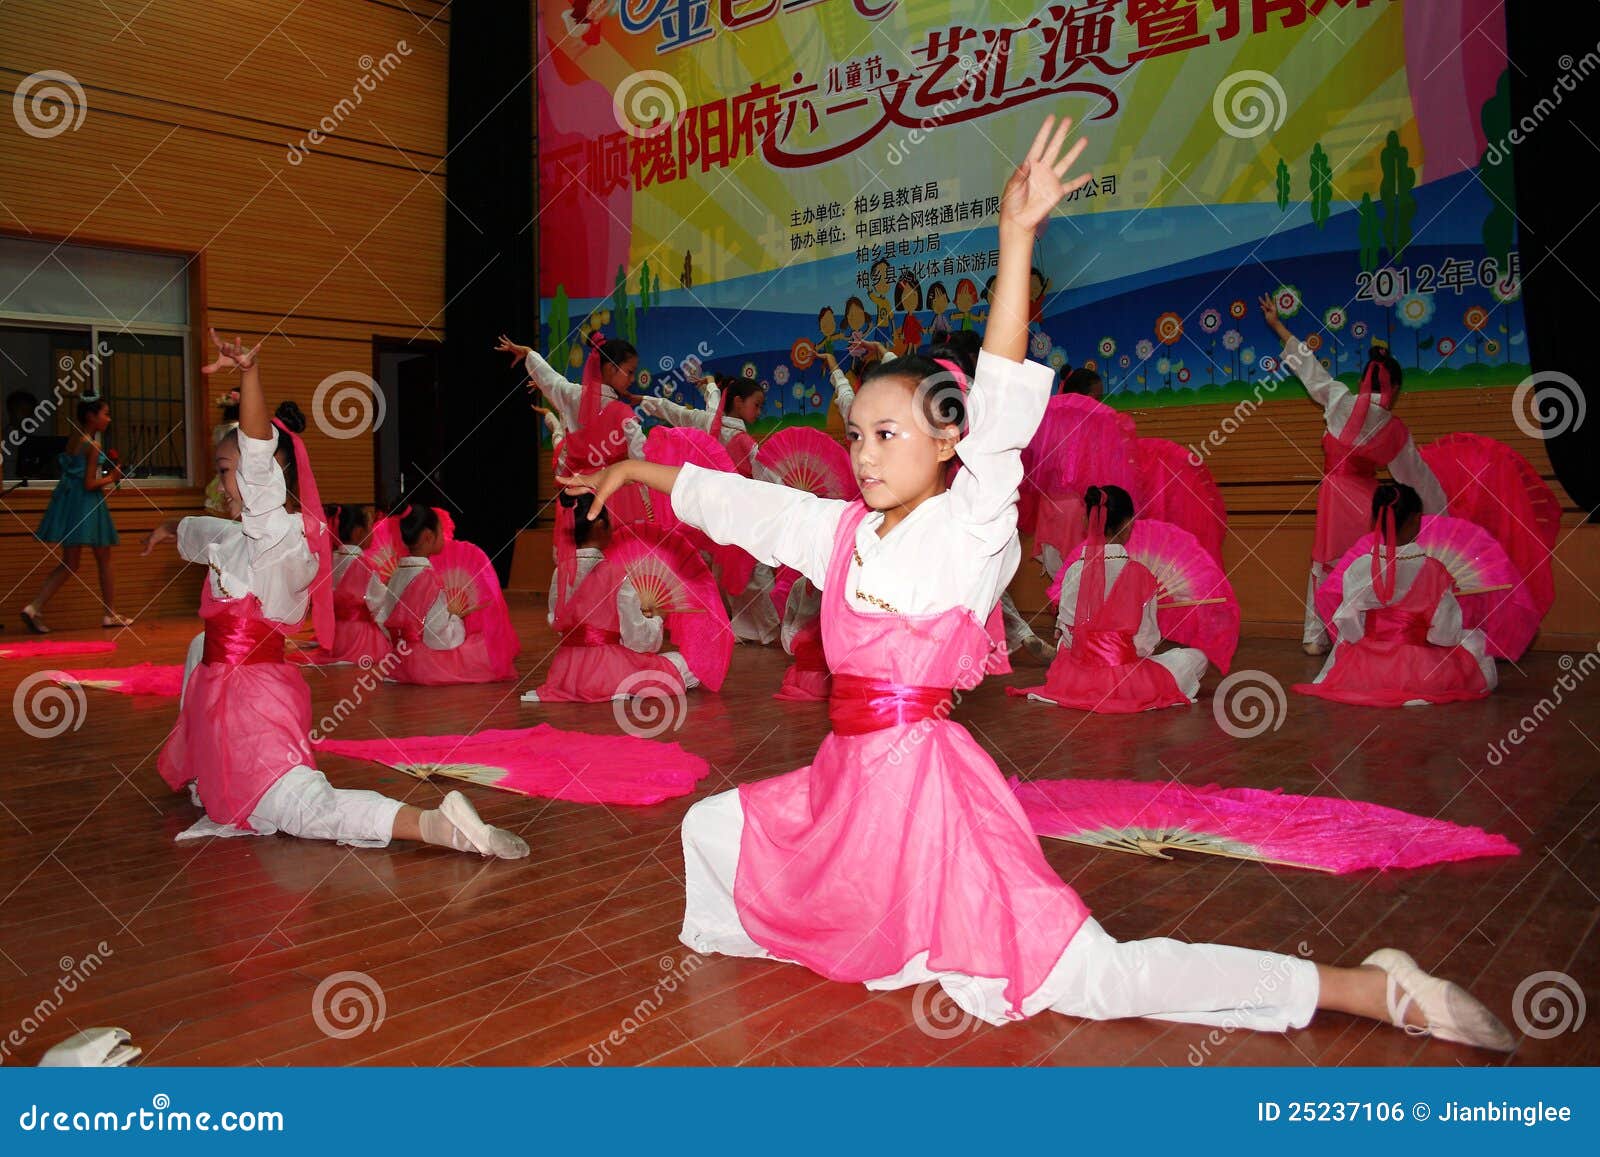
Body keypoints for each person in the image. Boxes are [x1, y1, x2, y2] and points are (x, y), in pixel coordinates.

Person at [555, 117, 1513, 1049]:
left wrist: (1014, 238)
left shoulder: (971, 526)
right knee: (715, 828)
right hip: (846, 790)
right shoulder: (838, 530)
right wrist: (631, 474)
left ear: (947, 439)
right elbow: (735, 502)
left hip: (930, 798)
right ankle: (857, 920)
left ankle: (1366, 985)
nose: (866, 452)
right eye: (858, 434)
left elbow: (1003, 386)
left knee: (1092, 978)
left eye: (889, 434)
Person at [148, 331, 526, 858]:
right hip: (223, 700)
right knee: (244, 777)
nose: (223, 483)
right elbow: (204, 531)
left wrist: (250, 377)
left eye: (226, 472)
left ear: (271, 477)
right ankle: (214, 779)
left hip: (254, 705)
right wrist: (169, 526)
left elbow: (256, 466)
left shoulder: (278, 541)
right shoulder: (235, 535)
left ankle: (435, 824)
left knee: (300, 808)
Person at [1260, 297, 1446, 657]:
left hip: (1334, 495)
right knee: (1368, 564)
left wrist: (1278, 326)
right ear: (1396, 389)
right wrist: (1443, 515)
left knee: (1323, 563)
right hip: (1370, 501)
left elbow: (1309, 369)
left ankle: (1316, 636)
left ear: (1364, 379)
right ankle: (1361, 630)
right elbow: (1416, 479)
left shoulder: (1339, 399)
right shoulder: (1393, 428)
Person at [1008, 485, 1207, 712]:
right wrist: (1118, 654)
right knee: (1196, 658)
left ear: (1086, 522)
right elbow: (1146, 644)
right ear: (1129, 524)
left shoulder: (1073, 571)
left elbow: (1068, 637)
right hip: (1124, 680)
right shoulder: (1141, 574)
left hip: (1075, 680)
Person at [1295, 483, 1496, 707]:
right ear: (1416, 519)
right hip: (1420, 670)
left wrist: (1365, 642)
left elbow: (1347, 621)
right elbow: (1445, 635)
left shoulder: (1359, 567)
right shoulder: (1433, 570)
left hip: (1366, 669)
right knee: (1476, 646)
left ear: (1375, 520)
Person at [522, 491, 698, 702]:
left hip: (567, 672)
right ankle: (617, 687)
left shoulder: (560, 572)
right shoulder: (618, 574)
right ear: (600, 526)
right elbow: (639, 642)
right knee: (686, 664)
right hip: (611, 670)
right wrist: (656, 617)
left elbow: (557, 621)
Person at [22, 397, 130, 632]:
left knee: (70, 562)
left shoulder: (74, 440)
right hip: (88, 506)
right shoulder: (92, 445)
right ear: (92, 416)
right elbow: (89, 483)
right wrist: (112, 478)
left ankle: (34, 606)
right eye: (105, 413)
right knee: (104, 558)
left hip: (72, 504)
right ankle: (110, 613)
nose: (108, 419)